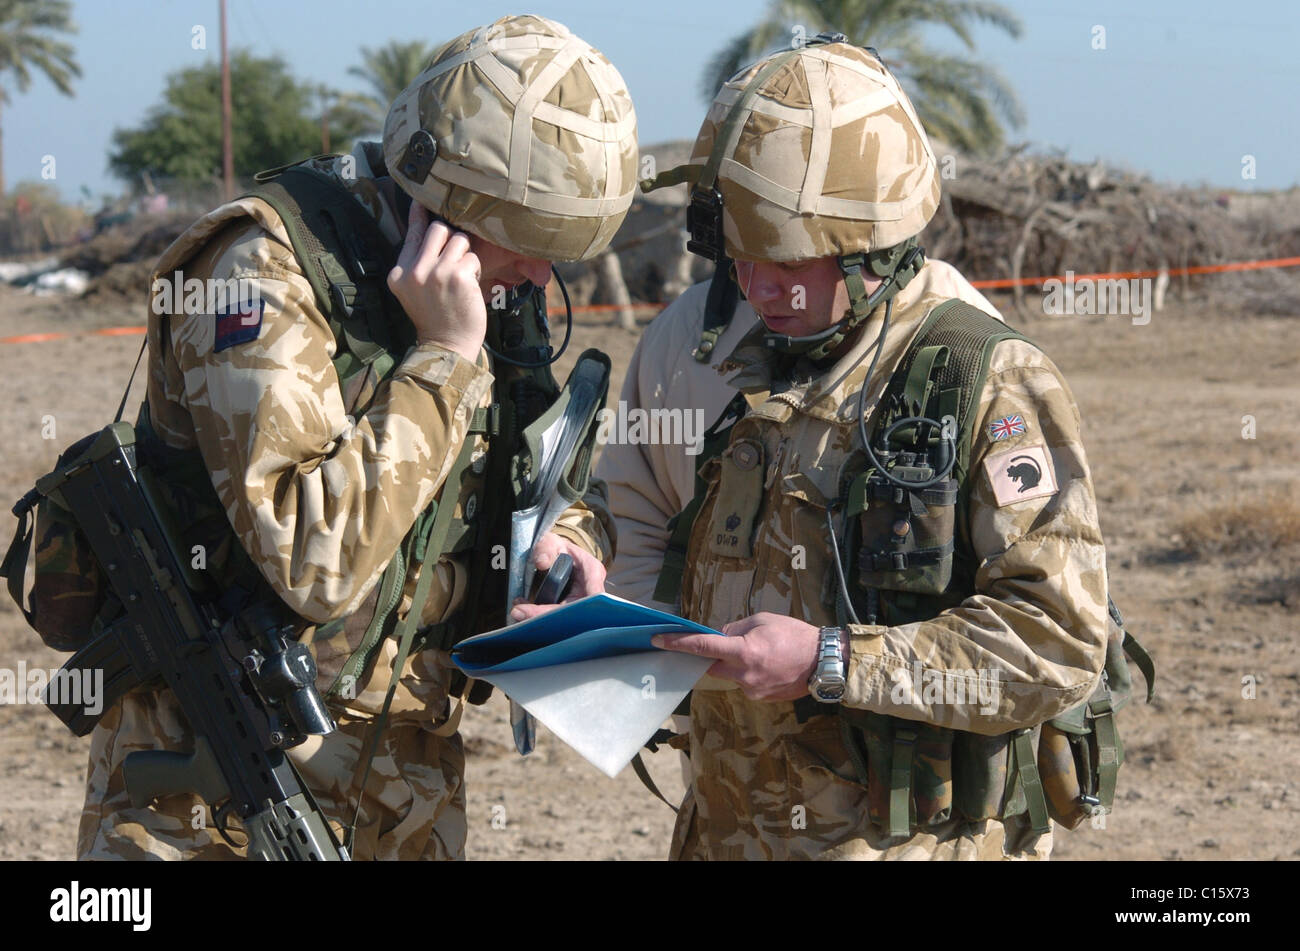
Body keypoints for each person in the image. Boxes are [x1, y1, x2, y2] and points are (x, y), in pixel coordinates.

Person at [75, 14, 638, 861]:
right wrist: (445, 359)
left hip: (406, 780)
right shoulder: (260, 275)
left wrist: (567, 540)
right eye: (527, 242)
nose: (538, 274)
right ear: (448, 198)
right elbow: (314, 559)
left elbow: (554, 473)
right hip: (219, 785)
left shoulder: (490, 284)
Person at [629, 37, 1111, 860]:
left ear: (872, 247)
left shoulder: (985, 379)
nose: (759, 289)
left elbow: (1056, 641)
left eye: (790, 264)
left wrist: (830, 661)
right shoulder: (736, 362)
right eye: (743, 261)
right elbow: (641, 512)